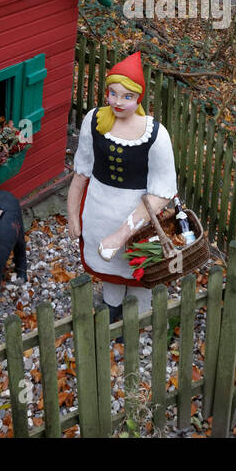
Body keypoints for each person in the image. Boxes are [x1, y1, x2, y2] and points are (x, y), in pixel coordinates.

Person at [66, 51, 177, 328]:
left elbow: (162, 193)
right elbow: (81, 173)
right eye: (113, 93)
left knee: (138, 273)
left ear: (138, 98)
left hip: (140, 222)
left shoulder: (156, 135)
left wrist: (121, 234)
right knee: (109, 272)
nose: (117, 101)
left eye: (126, 96)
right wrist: (72, 214)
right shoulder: (94, 121)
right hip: (99, 211)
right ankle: (111, 311)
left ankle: (138, 321)